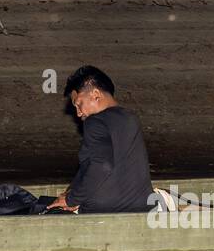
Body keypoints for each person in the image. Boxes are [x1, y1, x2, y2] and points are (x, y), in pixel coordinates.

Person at [47, 66, 154, 214]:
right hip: (143, 206)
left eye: (79, 104)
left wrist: (71, 200)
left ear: (95, 94)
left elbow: (102, 165)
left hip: (103, 208)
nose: (78, 113)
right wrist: (71, 193)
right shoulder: (130, 118)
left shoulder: (95, 121)